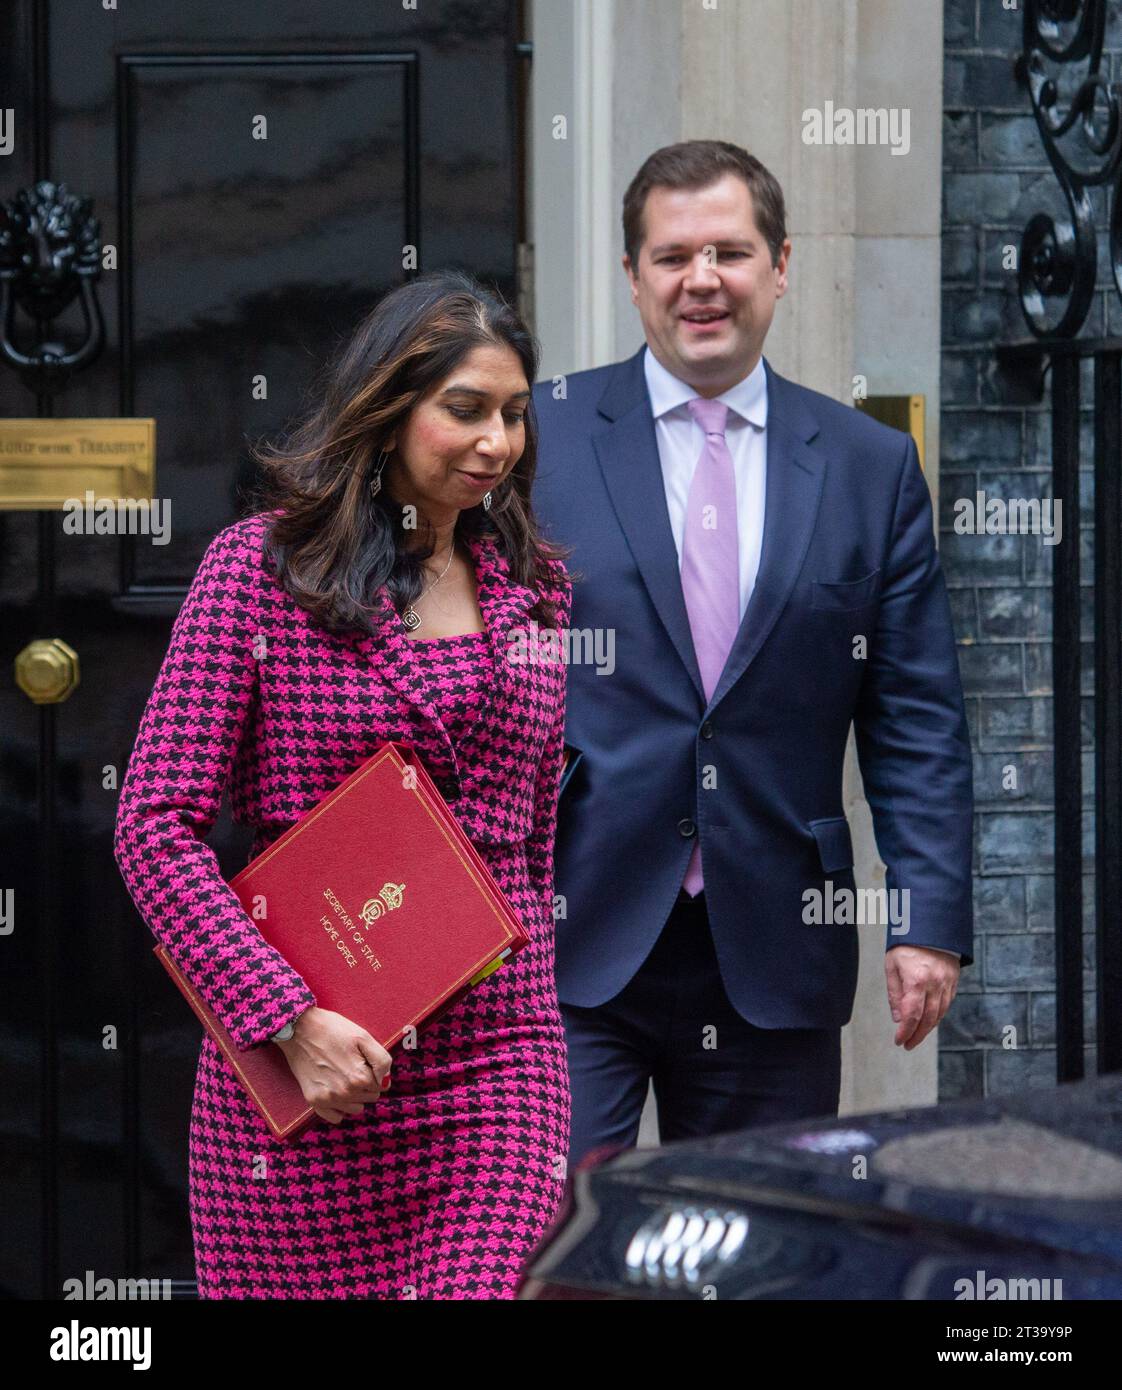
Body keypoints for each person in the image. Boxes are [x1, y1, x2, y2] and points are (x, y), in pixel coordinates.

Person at [114, 269, 572, 1299]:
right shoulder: (256, 574)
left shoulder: (540, 596)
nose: (496, 443)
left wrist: (538, 1017)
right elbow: (154, 827)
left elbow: (535, 844)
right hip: (301, 1069)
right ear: (389, 407)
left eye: (513, 414)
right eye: (465, 410)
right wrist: (280, 1017)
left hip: (495, 1074)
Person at [531, 140, 973, 1169]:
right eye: (674, 254)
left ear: (779, 265)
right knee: (548, 1251)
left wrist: (929, 918)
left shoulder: (869, 466)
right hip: (570, 927)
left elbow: (915, 717)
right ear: (633, 275)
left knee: (756, 1253)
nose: (703, 280)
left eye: (730, 251)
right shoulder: (538, 444)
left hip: (777, 940)